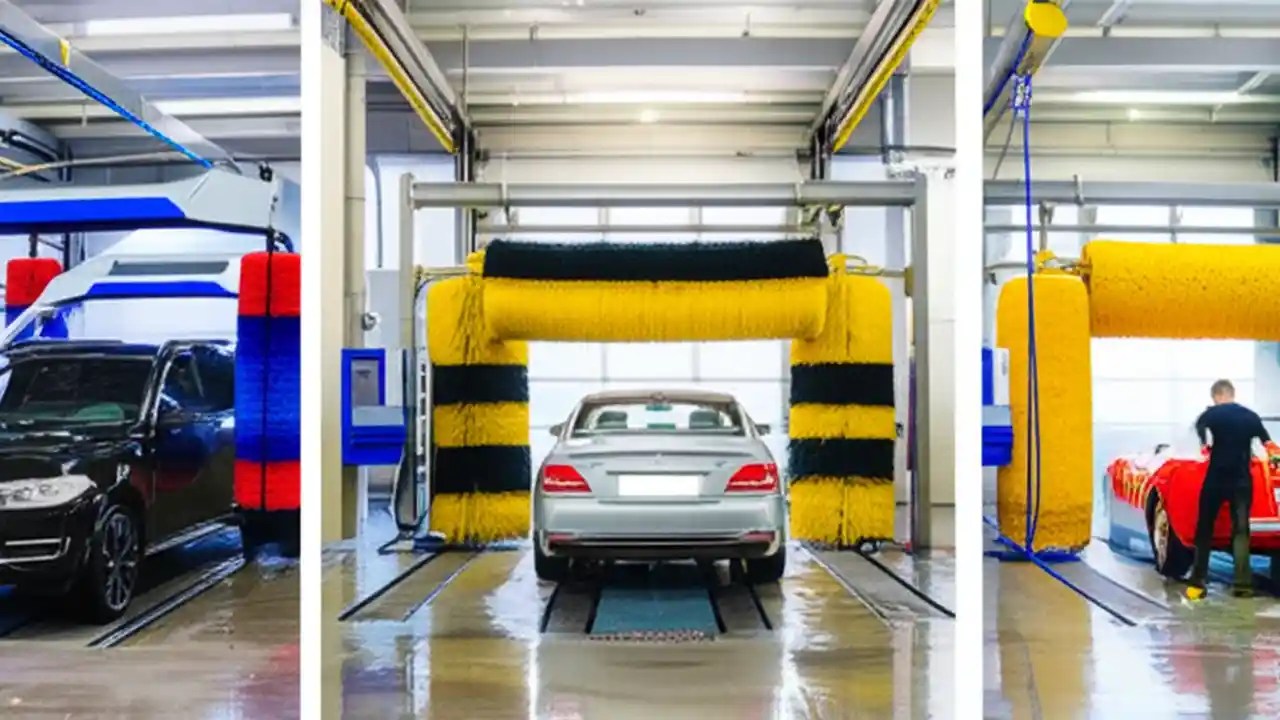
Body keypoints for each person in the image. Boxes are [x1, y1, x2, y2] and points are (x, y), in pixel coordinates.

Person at [1186, 379, 1273, 600]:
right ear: (1232, 394)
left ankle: (1198, 582)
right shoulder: (1250, 416)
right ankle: (1243, 586)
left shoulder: (1209, 416)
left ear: (1216, 396)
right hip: (1242, 482)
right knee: (1241, 532)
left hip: (1216, 479)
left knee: (1205, 529)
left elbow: (1202, 444)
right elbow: (1269, 447)